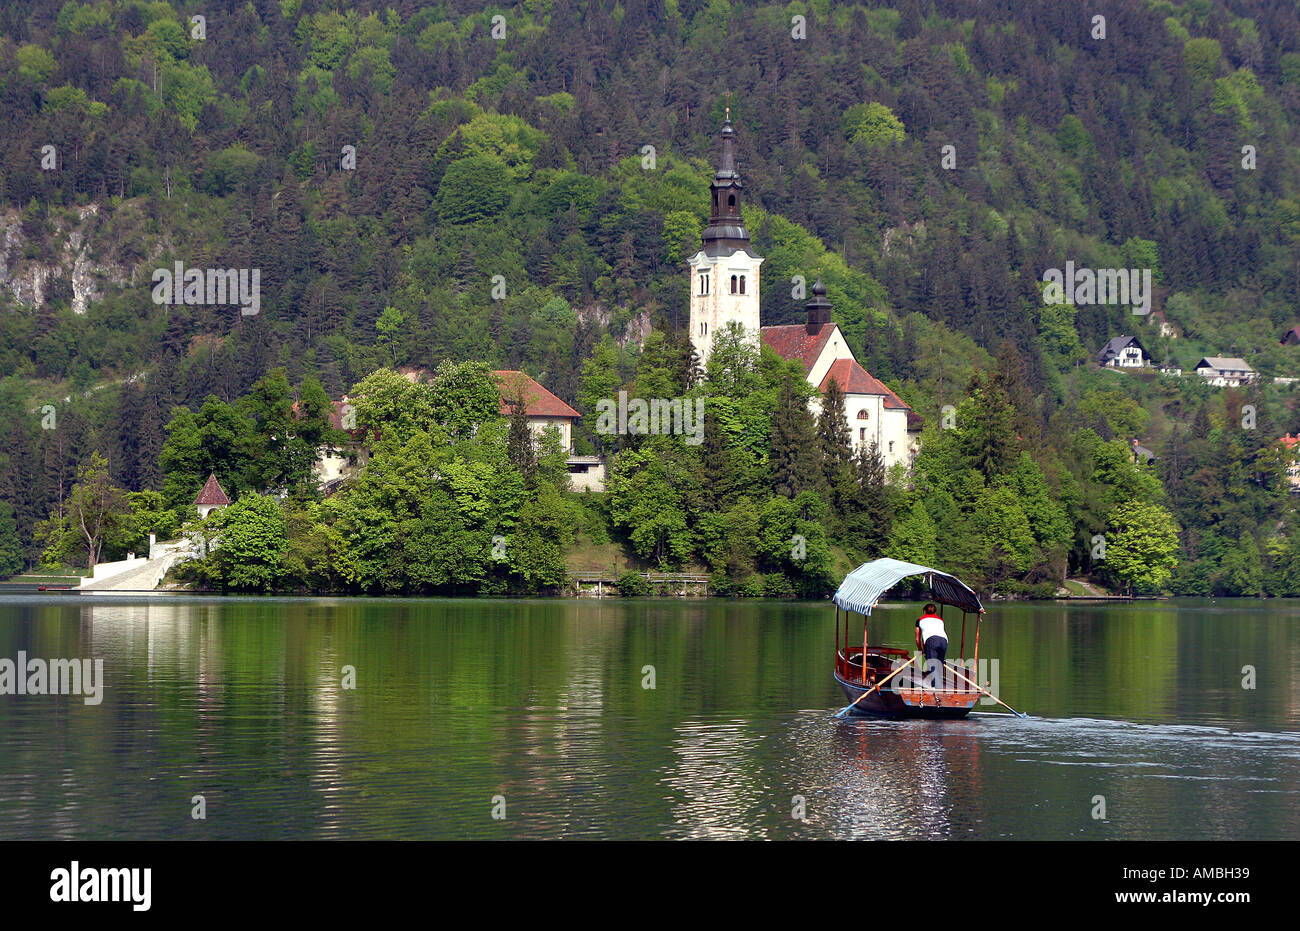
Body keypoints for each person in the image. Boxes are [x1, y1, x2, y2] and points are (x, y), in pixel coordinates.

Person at [915, 603, 948, 688]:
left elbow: (917, 639)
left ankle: (934, 690)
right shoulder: (941, 620)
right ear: (935, 612)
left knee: (932, 665)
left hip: (931, 641)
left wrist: (920, 649)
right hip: (944, 641)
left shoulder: (920, 620)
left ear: (924, 611)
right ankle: (939, 688)